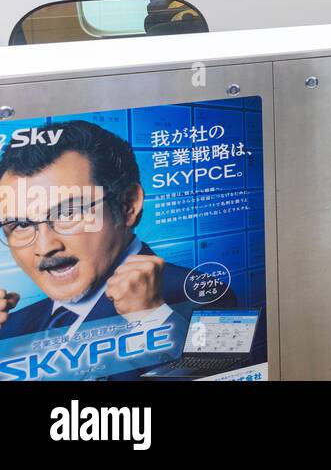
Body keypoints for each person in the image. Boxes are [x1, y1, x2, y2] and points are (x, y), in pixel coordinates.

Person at [0, 120, 238, 378]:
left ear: (128, 205)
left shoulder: (209, 296)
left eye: (69, 213)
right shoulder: (12, 327)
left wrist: (152, 318)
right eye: (21, 224)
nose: (45, 247)